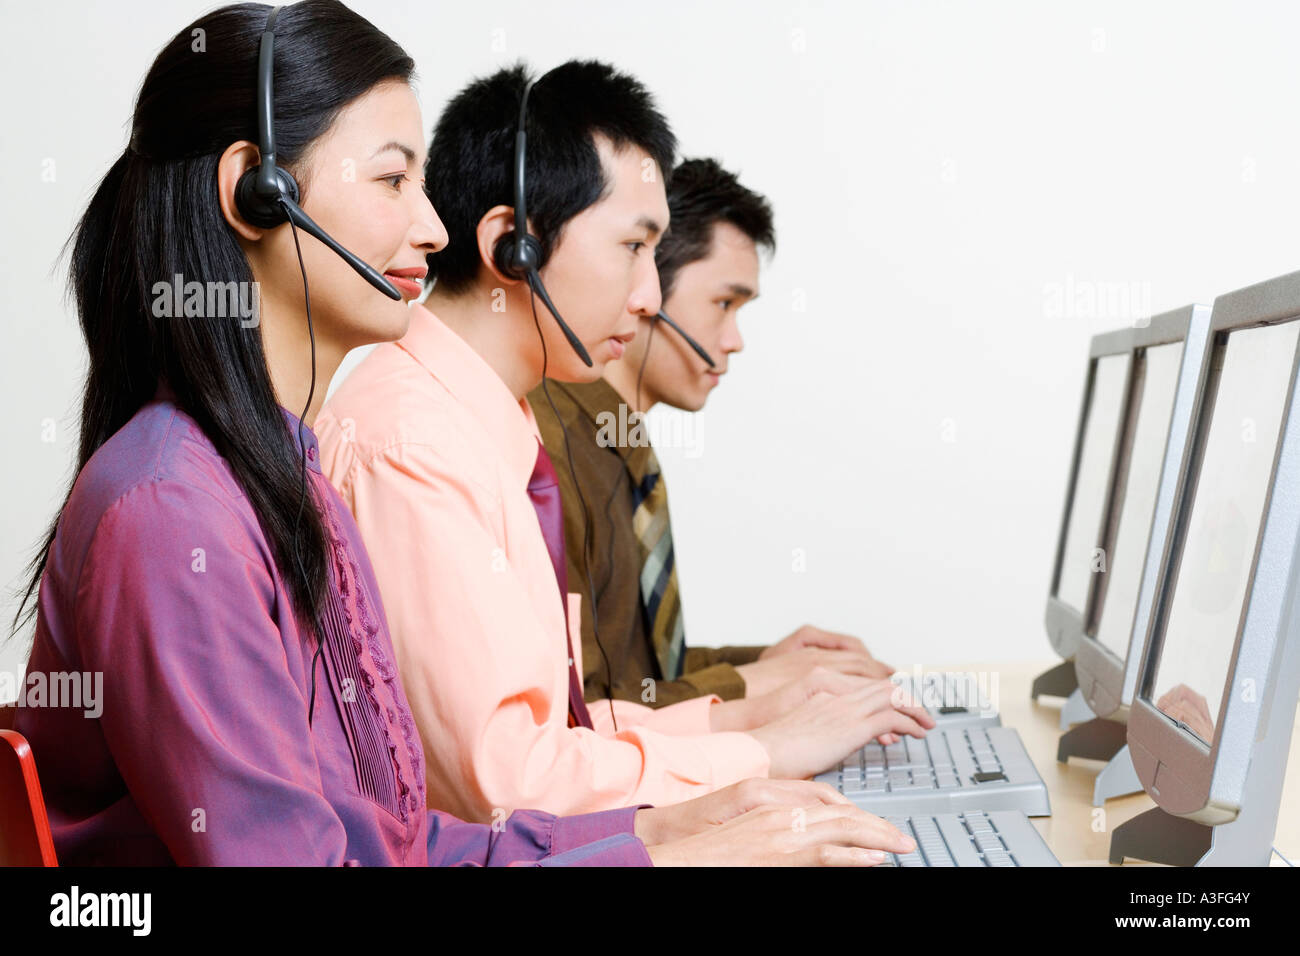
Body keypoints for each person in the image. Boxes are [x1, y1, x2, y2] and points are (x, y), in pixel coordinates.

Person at [7, 1, 917, 867]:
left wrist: (672, 833)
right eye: (393, 179)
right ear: (259, 192)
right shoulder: (174, 511)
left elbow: (396, 841)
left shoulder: (284, 477)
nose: (432, 226)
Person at [315, 60, 933, 824]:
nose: (647, 298)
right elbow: (508, 789)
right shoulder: (411, 448)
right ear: (514, 247)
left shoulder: (484, 426)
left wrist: (756, 723)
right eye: (632, 248)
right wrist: (762, 755)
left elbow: (564, 728)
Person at [528, 158, 895, 717]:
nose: (736, 340)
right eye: (723, 303)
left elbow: (643, 677)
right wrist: (762, 683)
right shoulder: (553, 452)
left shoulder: (618, 443)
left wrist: (769, 661)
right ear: (647, 288)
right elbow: (588, 716)